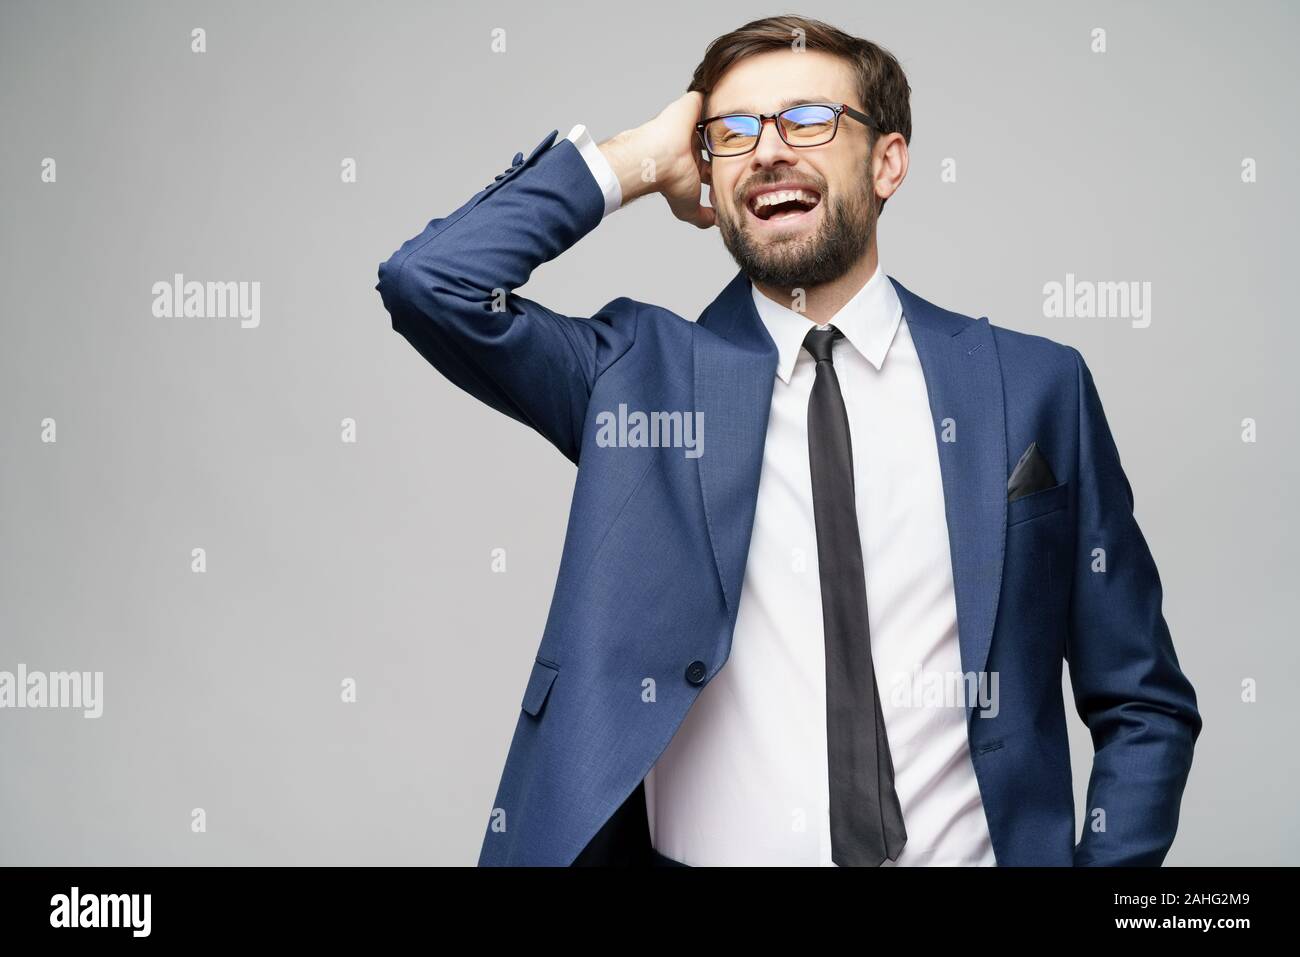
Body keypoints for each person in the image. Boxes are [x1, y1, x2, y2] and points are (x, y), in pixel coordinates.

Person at [374, 15, 1201, 866]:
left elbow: (1143, 700)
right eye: (731, 134)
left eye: (808, 120)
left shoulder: (1032, 385)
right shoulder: (634, 378)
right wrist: (637, 160)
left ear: (888, 161)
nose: (768, 150)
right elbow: (430, 283)